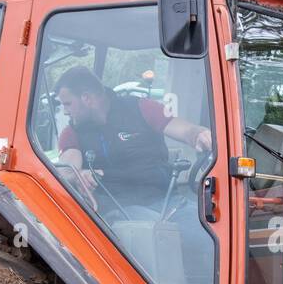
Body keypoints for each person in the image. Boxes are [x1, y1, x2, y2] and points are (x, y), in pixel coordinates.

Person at [54, 66, 210, 205]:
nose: (65, 111)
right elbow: (67, 170)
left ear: (86, 98)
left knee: (206, 229)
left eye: (67, 104)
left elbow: (184, 129)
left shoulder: (142, 107)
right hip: (112, 213)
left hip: (164, 200)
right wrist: (78, 176)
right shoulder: (71, 133)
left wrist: (199, 135)